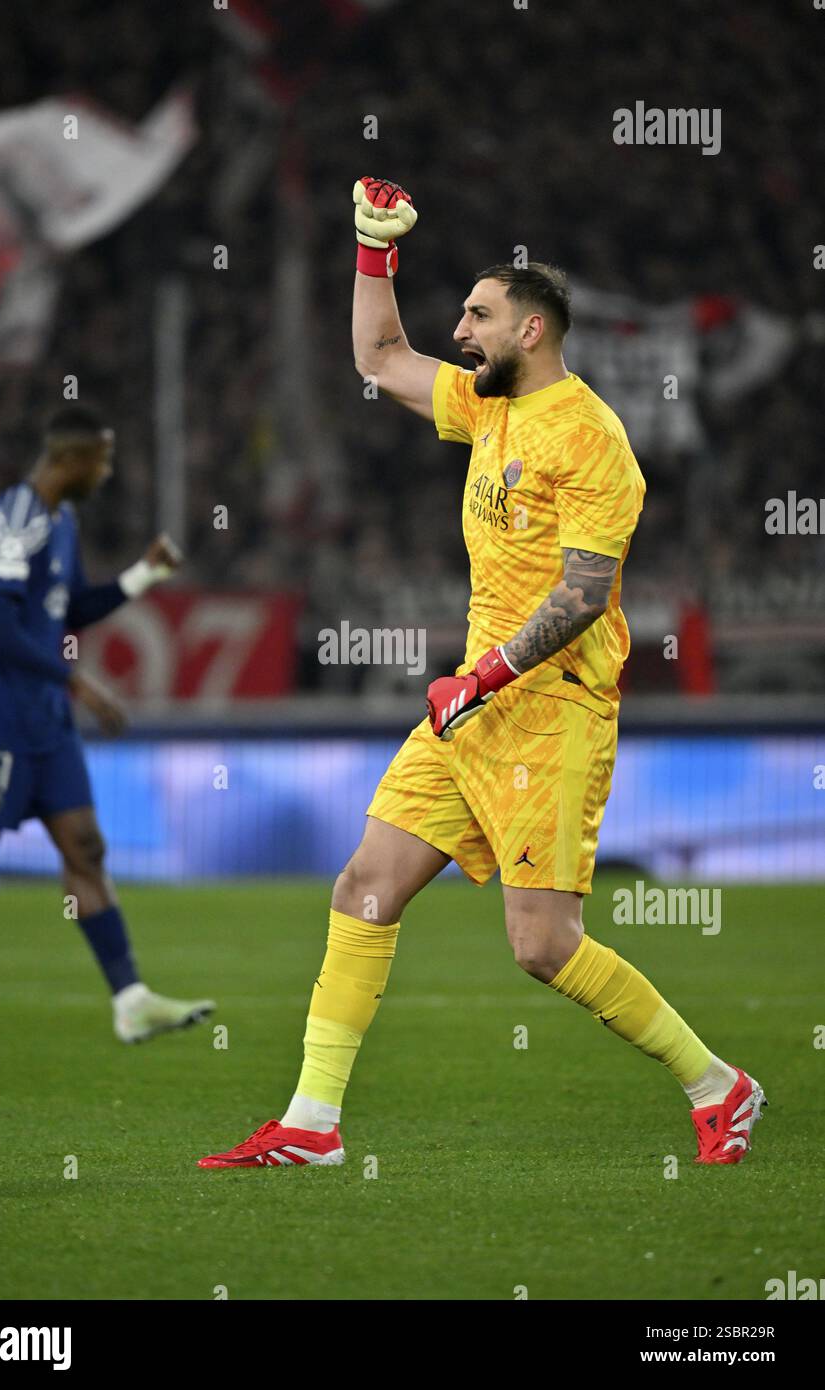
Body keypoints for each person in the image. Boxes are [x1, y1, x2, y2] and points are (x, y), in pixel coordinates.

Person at [197, 177, 764, 1170]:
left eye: (476, 315)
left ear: (532, 329)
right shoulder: (485, 406)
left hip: (549, 713)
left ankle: (719, 1084)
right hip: (472, 709)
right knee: (365, 885)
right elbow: (377, 356)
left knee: (541, 946)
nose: (456, 329)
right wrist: (374, 248)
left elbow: (585, 591)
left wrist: (487, 673)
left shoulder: (590, 440)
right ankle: (312, 1124)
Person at [0, 404, 215, 1048]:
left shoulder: (61, 519)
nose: (106, 471)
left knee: (84, 847)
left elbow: (70, 608)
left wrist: (144, 573)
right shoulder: (16, 519)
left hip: (42, 720)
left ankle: (131, 1000)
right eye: (101, 458)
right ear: (69, 459)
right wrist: (76, 680)